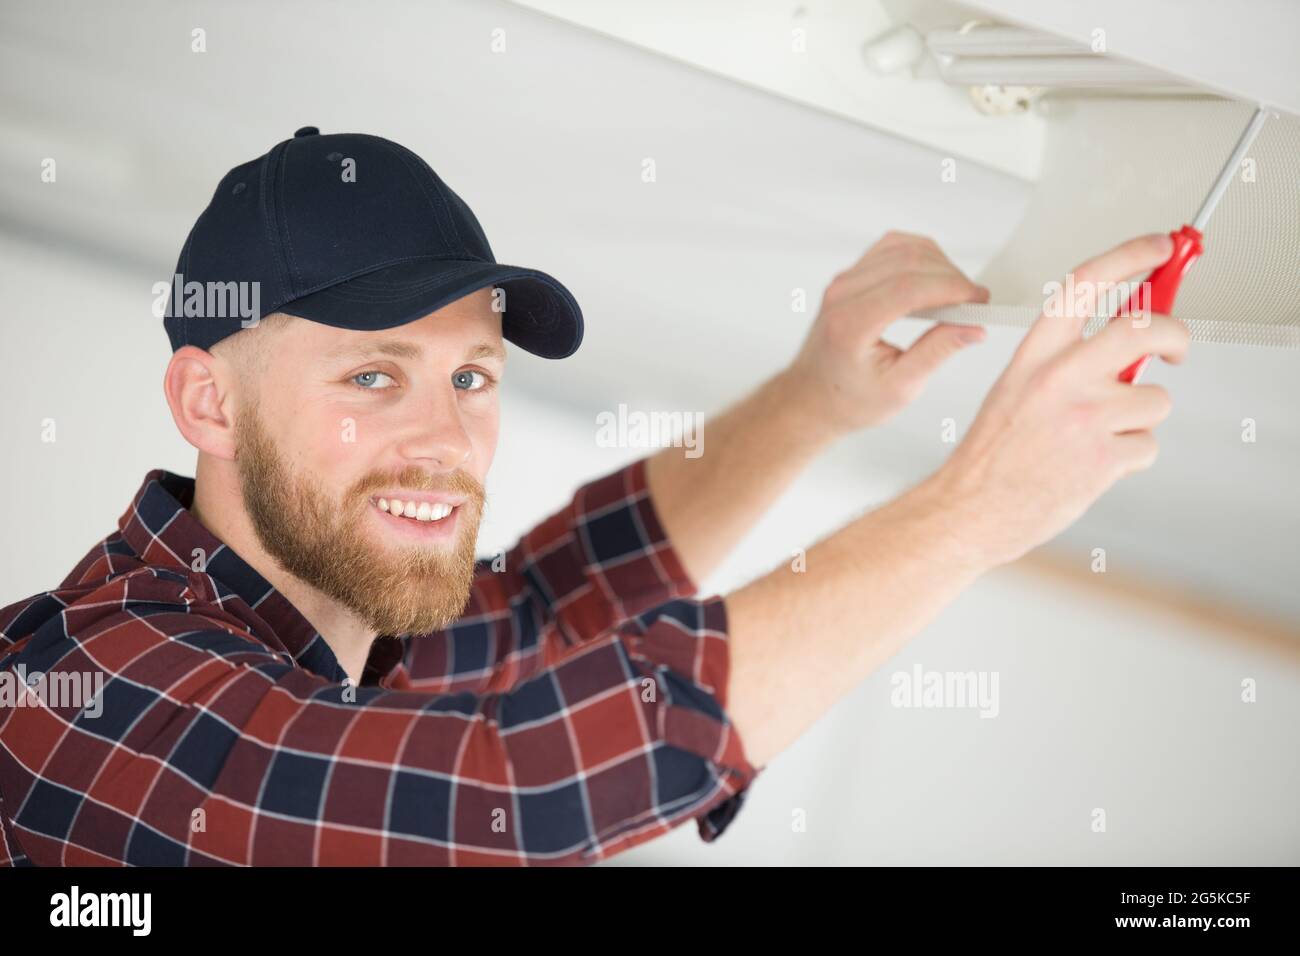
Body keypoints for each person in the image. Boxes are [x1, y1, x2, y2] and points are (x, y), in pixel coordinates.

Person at [0, 128, 1187, 866]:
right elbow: (498, 800)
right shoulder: (88, 693)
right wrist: (971, 509)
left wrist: (812, 401)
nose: (444, 437)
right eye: (374, 375)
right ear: (208, 404)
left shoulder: (329, 627)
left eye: (471, 375)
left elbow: (558, 610)